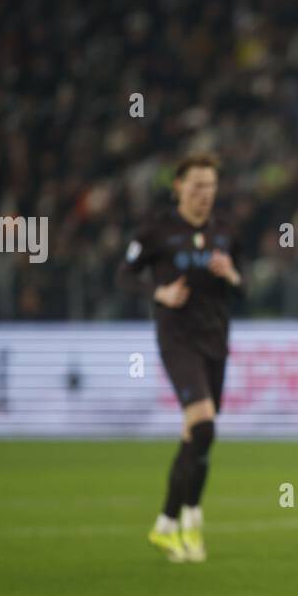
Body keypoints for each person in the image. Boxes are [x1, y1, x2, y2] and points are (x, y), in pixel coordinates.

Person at [117, 153, 243, 562]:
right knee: (203, 423)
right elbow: (123, 276)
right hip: (177, 340)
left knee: (200, 437)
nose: (204, 194)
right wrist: (159, 293)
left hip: (215, 341)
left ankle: (183, 519)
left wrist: (233, 276)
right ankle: (172, 521)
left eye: (210, 186)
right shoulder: (157, 231)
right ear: (178, 187)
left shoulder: (224, 231)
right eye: (196, 186)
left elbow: (241, 293)